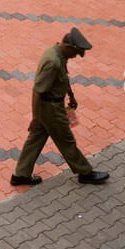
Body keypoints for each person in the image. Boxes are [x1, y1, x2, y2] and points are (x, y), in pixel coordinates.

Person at [11, 27, 110, 186]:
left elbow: (62, 78)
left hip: (52, 104)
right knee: (66, 140)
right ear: (69, 47)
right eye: (76, 53)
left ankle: (21, 175)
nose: (76, 56)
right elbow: (37, 90)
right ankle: (85, 172)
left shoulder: (58, 52)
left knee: (36, 138)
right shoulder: (53, 61)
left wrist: (70, 95)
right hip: (51, 109)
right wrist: (35, 117)